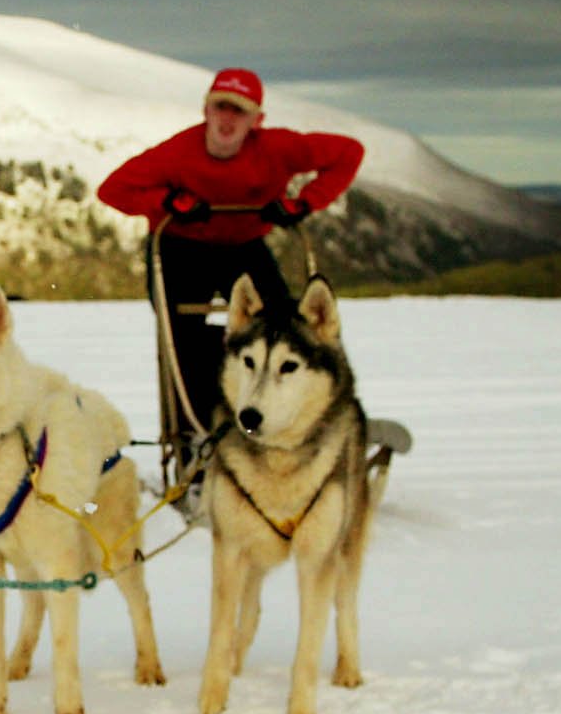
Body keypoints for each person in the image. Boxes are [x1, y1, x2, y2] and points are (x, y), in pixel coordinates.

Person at [96, 66, 364, 447]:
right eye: (221, 107)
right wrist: (167, 201)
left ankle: (296, 418)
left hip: (243, 246)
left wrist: (303, 203)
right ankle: (193, 432)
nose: (227, 118)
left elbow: (348, 153)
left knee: (286, 328)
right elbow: (113, 189)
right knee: (182, 338)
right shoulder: (178, 152)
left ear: (257, 120)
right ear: (205, 110)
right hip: (181, 248)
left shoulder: (277, 148)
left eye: (239, 111)